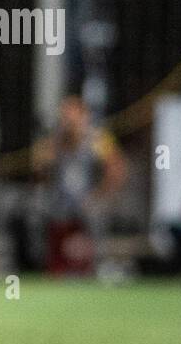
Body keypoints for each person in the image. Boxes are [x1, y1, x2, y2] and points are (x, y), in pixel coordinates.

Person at [31, 95, 126, 275]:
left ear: (84, 116)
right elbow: (39, 169)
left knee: (94, 215)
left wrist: (100, 194)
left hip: (88, 200)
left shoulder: (97, 139)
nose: (68, 120)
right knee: (40, 212)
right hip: (61, 201)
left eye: (72, 115)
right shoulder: (55, 141)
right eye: (64, 116)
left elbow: (116, 168)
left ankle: (94, 268)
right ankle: (53, 268)